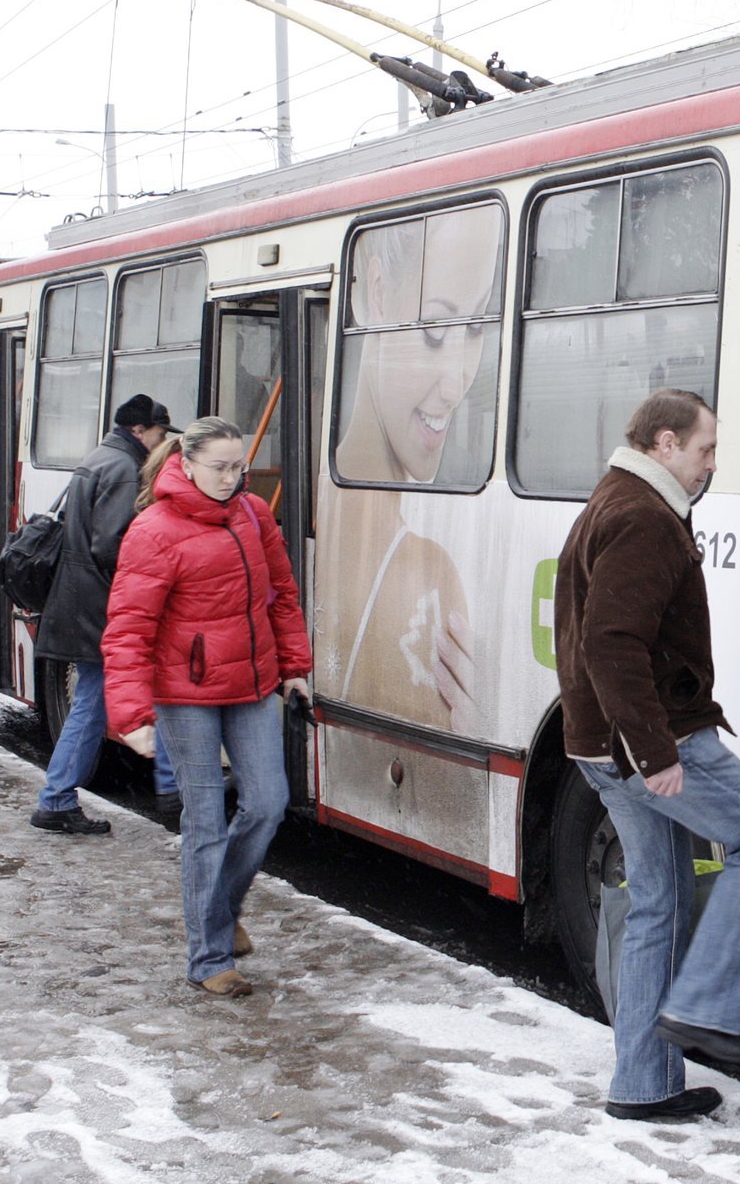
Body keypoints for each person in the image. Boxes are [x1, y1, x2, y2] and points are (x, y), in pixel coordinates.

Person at [558, 389, 740, 1123]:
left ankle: (644, 1082)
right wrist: (654, 751)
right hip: (651, 743)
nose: (711, 464)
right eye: (705, 449)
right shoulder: (642, 517)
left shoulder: (617, 498)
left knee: (657, 905)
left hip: (602, 746)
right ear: (665, 443)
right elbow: (611, 642)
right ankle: (707, 1004)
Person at [103, 416, 312, 997]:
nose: (230, 477)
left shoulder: (253, 515)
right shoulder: (154, 530)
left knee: (268, 803)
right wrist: (132, 716)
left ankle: (219, 907)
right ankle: (209, 957)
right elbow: (127, 629)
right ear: (186, 464)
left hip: (250, 683)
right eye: (219, 467)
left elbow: (281, 594)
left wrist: (293, 667)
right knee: (205, 820)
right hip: (183, 694)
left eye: (238, 466)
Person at [313, 208, 496, 734]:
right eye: (434, 327)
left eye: (476, 326)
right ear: (377, 292)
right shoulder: (428, 573)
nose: (456, 384)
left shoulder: (322, 501)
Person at [27, 394, 173, 836]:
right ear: (139, 431)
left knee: (93, 703)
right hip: (99, 606)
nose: (161, 442)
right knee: (91, 705)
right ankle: (56, 799)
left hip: (81, 600)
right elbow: (112, 546)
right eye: (160, 434)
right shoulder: (125, 469)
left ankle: (60, 796)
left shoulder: (99, 457)